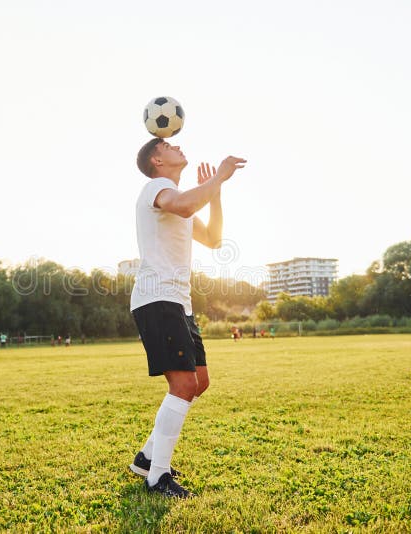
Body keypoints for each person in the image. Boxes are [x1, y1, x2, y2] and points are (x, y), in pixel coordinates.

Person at [129, 137, 246, 498]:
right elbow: (182, 205)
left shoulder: (181, 199)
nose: (177, 146)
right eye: (167, 145)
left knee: (199, 382)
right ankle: (157, 478)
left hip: (180, 303)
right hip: (157, 299)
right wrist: (217, 177)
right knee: (182, 385)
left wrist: (216, 192)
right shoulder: (157, 188)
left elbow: (213, 238)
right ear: (157, 160)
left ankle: (147, 457)